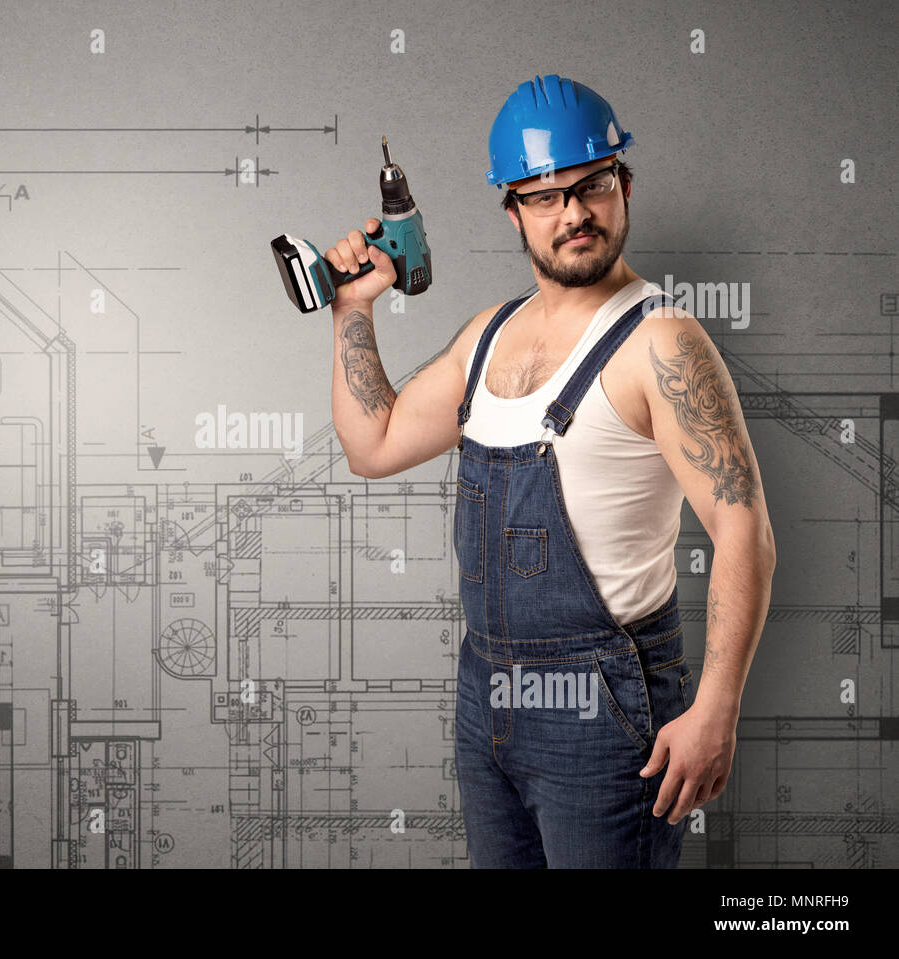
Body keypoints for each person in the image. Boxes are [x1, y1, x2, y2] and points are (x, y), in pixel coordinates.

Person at [325, 74, 775, 868]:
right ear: (513, 211)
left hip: (607, 708)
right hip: (485, 694)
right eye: (543, 196)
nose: (573, 212)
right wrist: (354, 311)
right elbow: (374, 444)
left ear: (622, 186)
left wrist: (716, 709)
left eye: (590, 186)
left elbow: (744, 527)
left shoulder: (661, 341)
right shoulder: (487, 336)